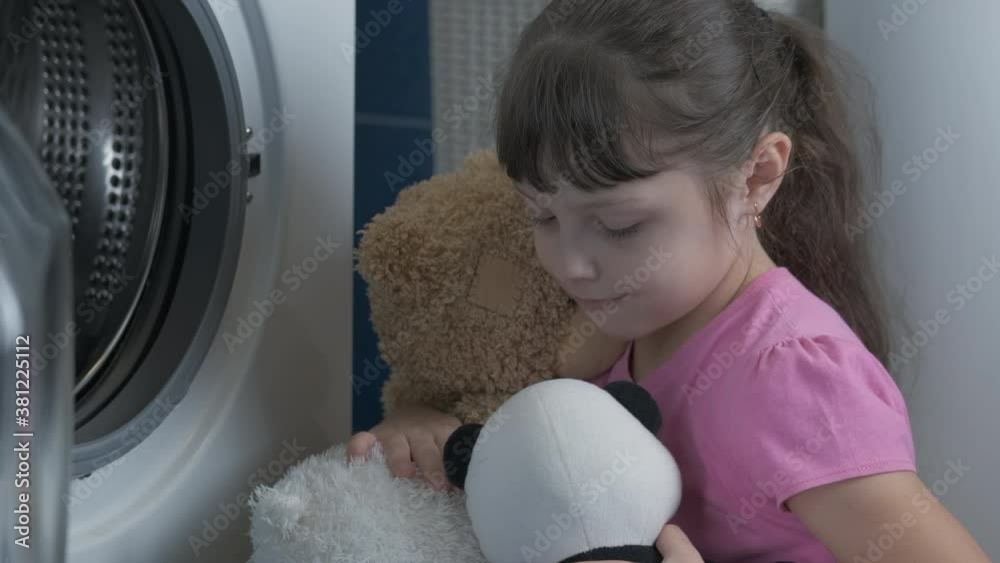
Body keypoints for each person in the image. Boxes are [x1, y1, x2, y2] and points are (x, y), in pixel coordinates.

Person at [349, 1, 991, 561]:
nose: (570, 264)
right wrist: (429, 431)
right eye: (541, 215)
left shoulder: (792, 378)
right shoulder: (608, 328)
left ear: (757, 176)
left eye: (620, 225)